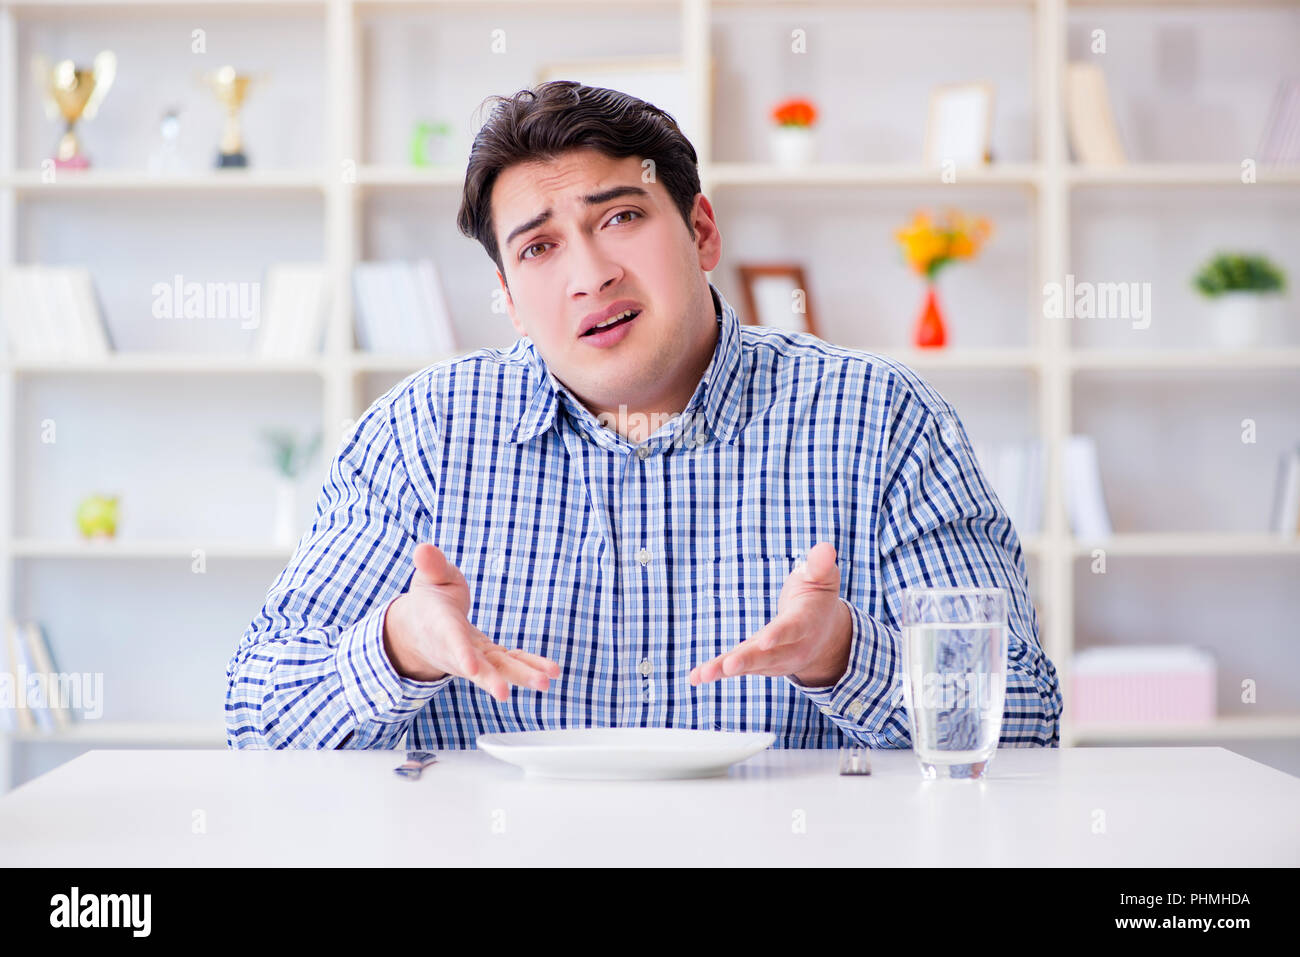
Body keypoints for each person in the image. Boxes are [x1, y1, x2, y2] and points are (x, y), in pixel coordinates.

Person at [225, 81, 1061, 751]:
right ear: (512, 301)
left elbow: (1025, 716)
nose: (589, 275)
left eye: (619, 217)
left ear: (700, 230)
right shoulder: (422, 435)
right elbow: (256, 718)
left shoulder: (885, 421)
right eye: (539, 248)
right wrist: (400, 645)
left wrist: (844, 654)